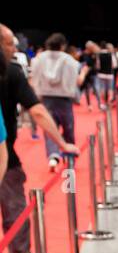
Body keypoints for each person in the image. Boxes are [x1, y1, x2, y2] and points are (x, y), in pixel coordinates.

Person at [0, 30, 74, 253]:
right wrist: (62, 144)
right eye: (10, 44)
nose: (15, 48)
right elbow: (37, 112)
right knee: (16, 210)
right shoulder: (10, 72)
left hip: (7, 154)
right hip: (6, 159)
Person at [28, 33, 80, 169]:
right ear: (62, 45)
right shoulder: (69, 60)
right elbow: (73, 80)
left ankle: (53, 155)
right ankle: (69, 157)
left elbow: (34, 77)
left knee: (50, 128)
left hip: (46, 98)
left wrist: (37, 94)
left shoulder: (39, 58)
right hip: (64, 99)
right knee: (68, 128)